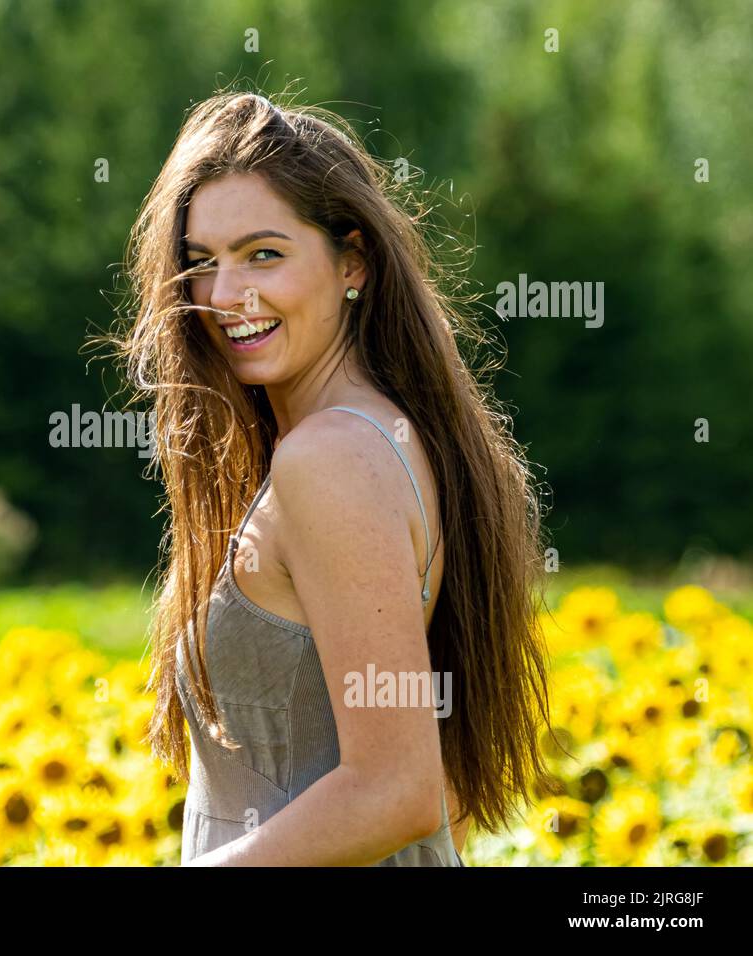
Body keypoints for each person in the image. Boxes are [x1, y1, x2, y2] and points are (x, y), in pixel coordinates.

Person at [113, 91, 558, 865]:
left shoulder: (329, 459)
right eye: (201, 263)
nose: (225, 296)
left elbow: (397, 787)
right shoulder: (383, 437)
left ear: (352, 261)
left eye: (264, 254)